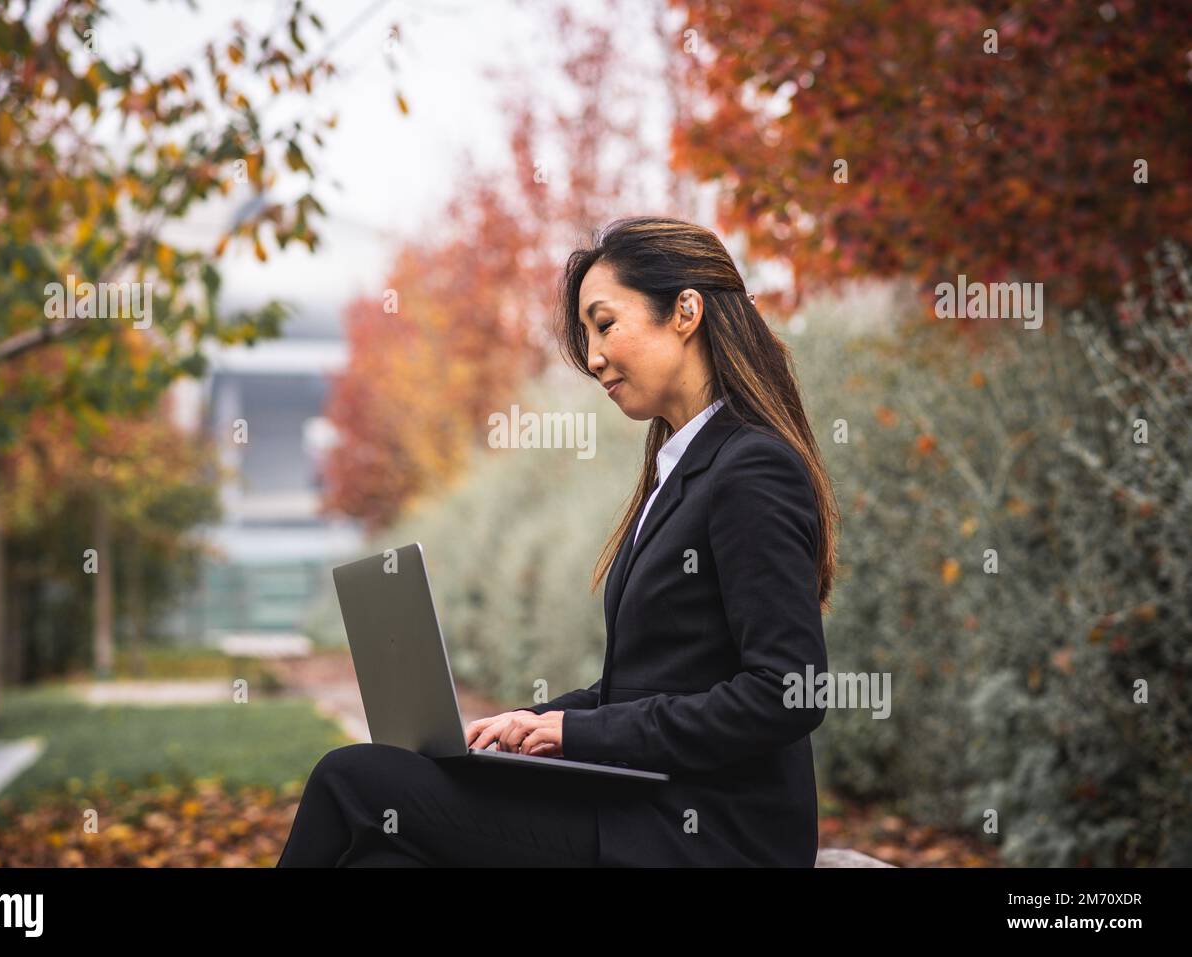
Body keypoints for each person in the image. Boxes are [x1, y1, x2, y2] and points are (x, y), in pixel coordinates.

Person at [277, 215, 838, 867]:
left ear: (685, 311)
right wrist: (530, 723)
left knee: (351, 779)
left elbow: (786, 691)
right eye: (587, 335)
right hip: (642, 804)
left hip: (711, 834)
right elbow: (642, 690)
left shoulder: (751, 469)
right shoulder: (678, 470)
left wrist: (573, 732)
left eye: (605, 324)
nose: (594, 356)